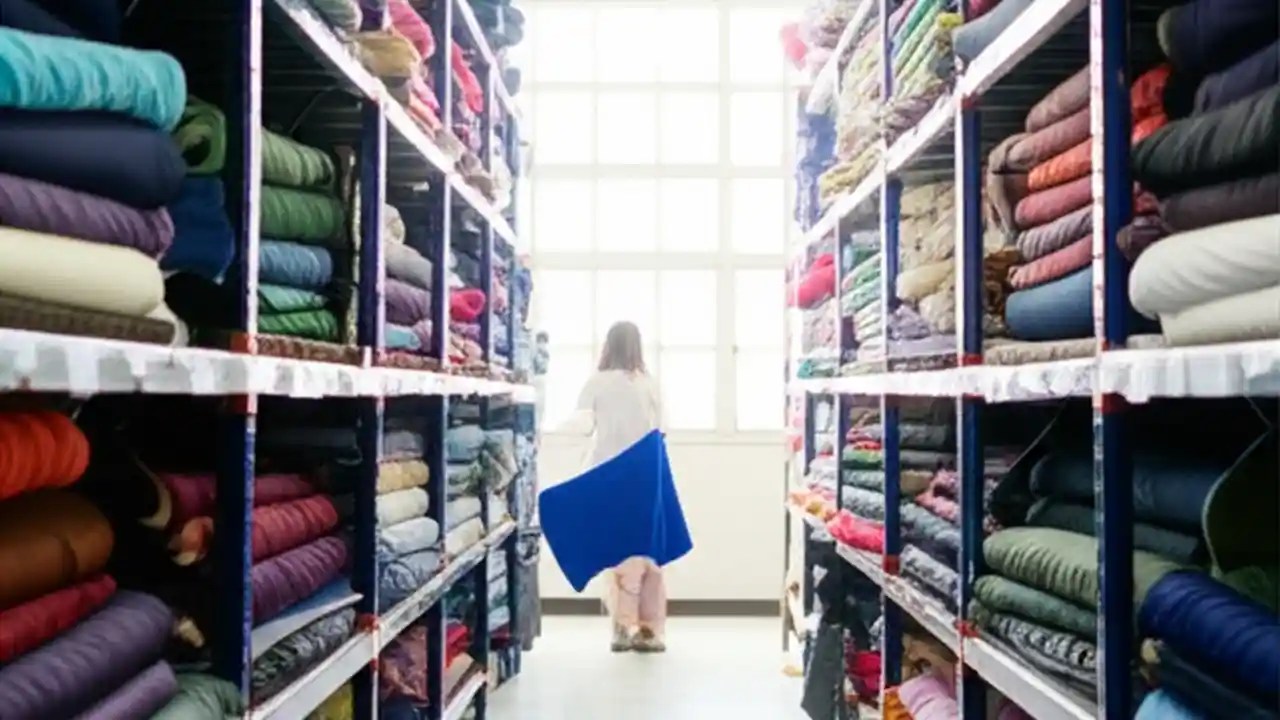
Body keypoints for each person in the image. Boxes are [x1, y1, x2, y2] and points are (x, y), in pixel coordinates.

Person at [561, 320, 667, 653]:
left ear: (608, 345)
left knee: (619, 554)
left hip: (605, 474)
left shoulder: (596, 382)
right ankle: (650, 630)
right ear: (637, 346)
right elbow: (662, 430)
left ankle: (621, 627)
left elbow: (581, 424)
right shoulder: (649, 384)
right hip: (646, 476)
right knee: (649, 555)